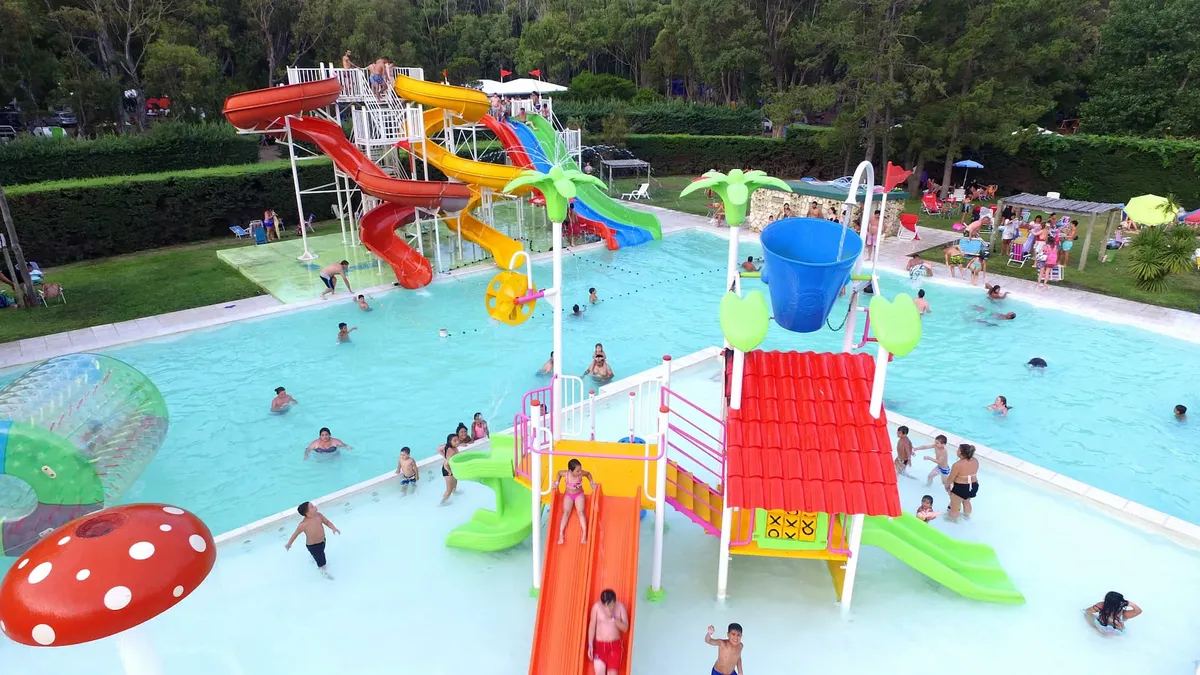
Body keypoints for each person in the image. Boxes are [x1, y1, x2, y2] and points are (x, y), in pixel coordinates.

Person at [285, 501, 340, 579]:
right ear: (307, 513)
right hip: (313, 546)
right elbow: (295, 534)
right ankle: (323, 571)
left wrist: (333, 528)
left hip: (323, 541)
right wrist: (289, 544)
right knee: (322, 560)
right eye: (312, 507)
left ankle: (314, 557)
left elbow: (327, 522)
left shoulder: (319, 515)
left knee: (321, 552)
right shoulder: (303, 524)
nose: (315, 506)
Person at [553, 458, 597, 544]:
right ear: (570, 470)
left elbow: (588, 474)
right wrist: (557, 483)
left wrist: (592, 483)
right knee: (566, 513)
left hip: (579, 495)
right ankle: (561, 534)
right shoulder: (566, 474)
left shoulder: (580, 474)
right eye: (577, 471)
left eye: (580, 470)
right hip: (568, 495)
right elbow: (558, 473)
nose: (580, 472)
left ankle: (584, 534)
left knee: (581, 512)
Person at [587, 589, 629, 675]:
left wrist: (613, 617)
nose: (607, 608)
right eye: (604, 605)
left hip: (614, 647)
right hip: (599, 646)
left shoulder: (620, 607)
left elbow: (625, 628)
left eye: (609, 605)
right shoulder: (596, 607)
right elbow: (592, 626)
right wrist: (590, 645)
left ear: (614, 601)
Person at [945, 443, 979, 521]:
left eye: (958, 449)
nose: (957, 451)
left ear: (961, 452)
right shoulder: (975, 460)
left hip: (961, 488)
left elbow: (951, 479)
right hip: (974, 486)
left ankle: (953, 522)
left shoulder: (957, 465)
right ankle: (967, 517)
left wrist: (947, 486)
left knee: (954, 507)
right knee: (967, 501)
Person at [439, 433, 460, 505]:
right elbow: (445, 465)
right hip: (448, 470)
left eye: (457, 440)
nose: (457, 442)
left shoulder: (448, 446)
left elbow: (439, 449)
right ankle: (442, 503)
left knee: (455, 484)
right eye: (455, 440)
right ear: (450, 442)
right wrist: (450, 472)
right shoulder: (452, 451)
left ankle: (455, 493)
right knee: (449, 490)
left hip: (452, 469)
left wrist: (445, 456)